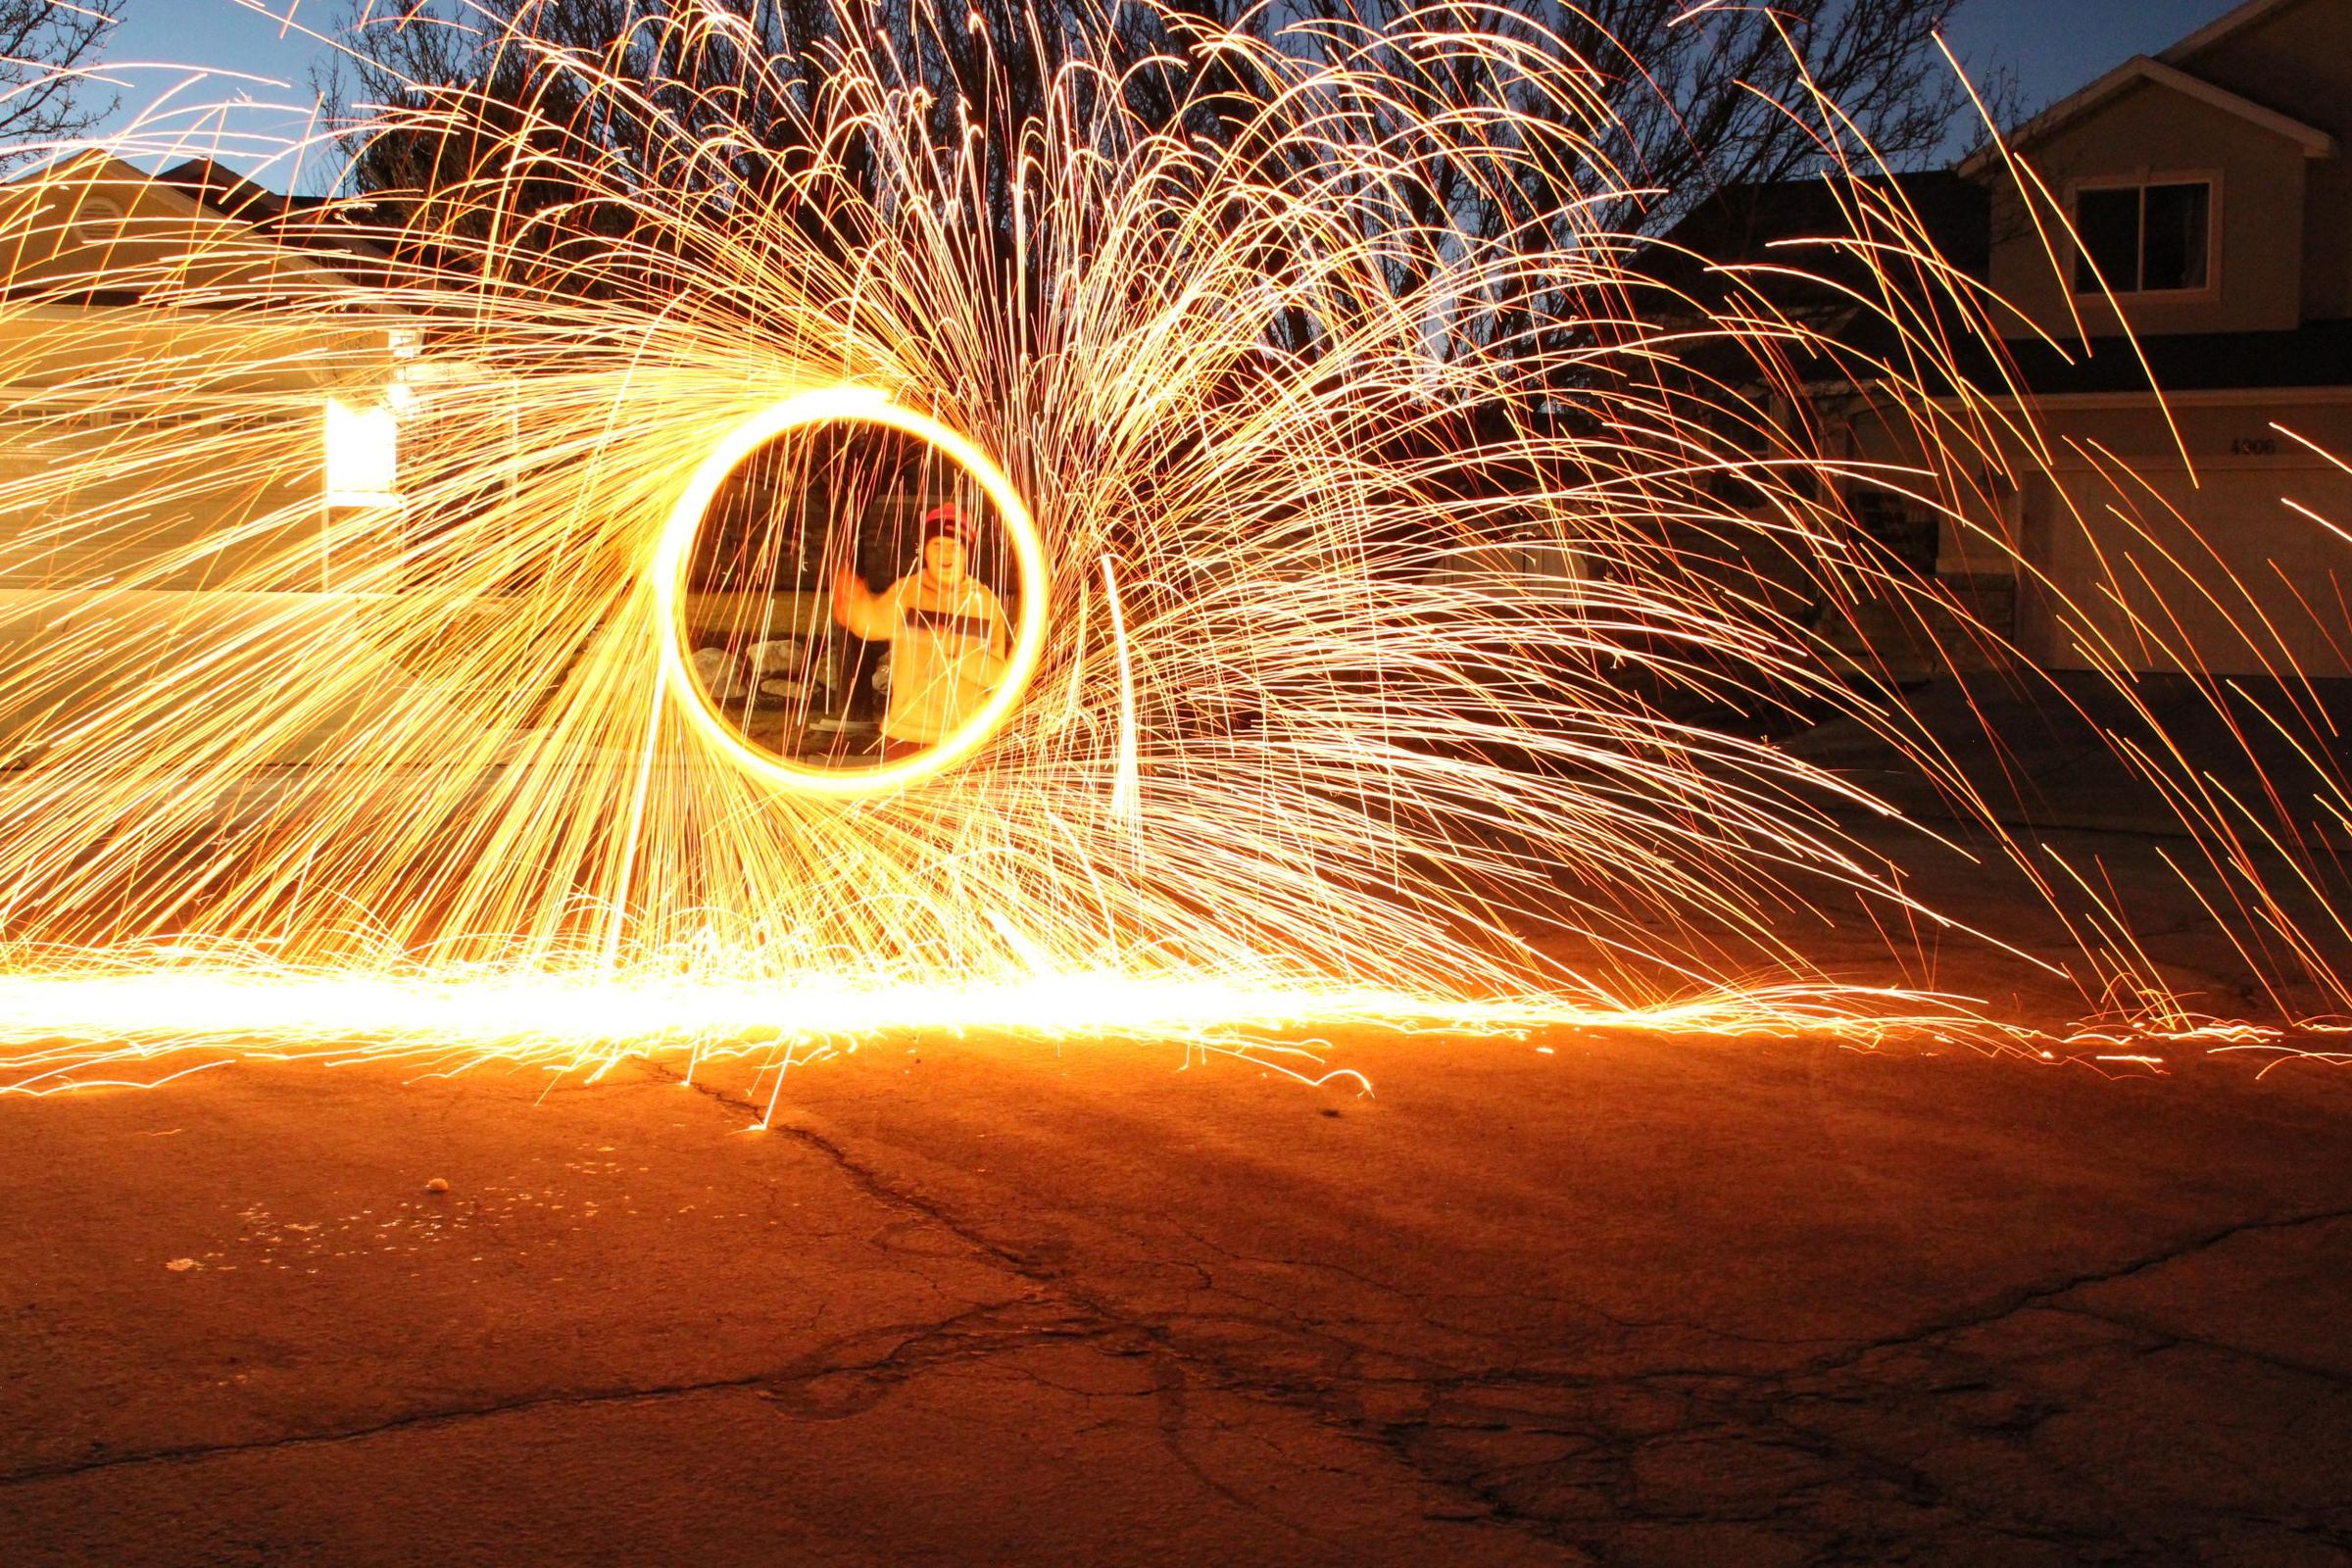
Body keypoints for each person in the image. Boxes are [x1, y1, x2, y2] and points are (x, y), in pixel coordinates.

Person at [831, 503, 1012, 761]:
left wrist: (954, 649)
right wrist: (855, 607)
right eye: (937, 545)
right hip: (907, 737)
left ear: (967, 553)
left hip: (964, 739)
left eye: (955, 546)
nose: (946, 553)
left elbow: (997, 676)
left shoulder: (985, 604)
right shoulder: (907, 594)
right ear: (925, 551)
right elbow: (875, 623)